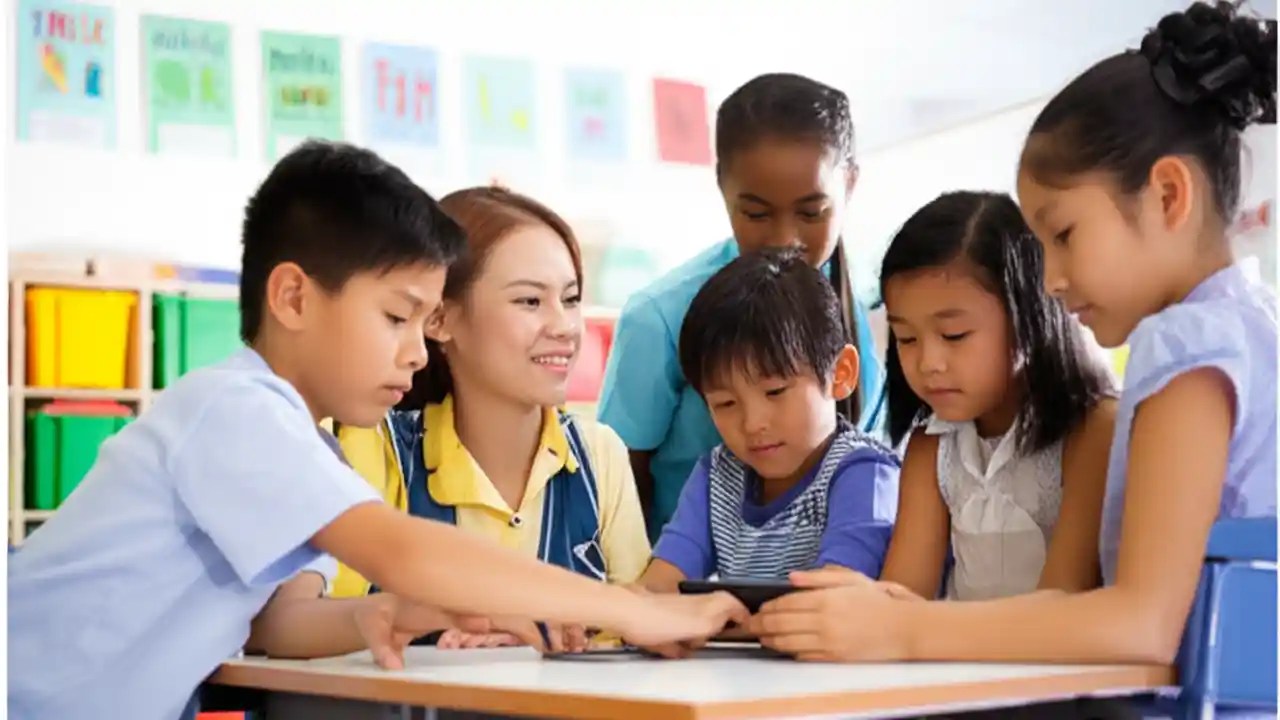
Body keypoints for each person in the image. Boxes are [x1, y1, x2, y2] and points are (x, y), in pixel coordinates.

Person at [7, 142, 747, 720]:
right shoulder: (235, 411)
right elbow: (408, 551)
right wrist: (633, 609)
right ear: (294, 296)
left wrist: (379, 612)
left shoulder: (305, 446)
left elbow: (279, 624)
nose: (416, 351)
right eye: (395, 317)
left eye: (422, 323)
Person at [749, 1, 1276, 673]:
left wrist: (904, 631)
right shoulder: (1246, 325)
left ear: (1169, 195)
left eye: (1064, 235)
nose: (1050, 280)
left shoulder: (1188, 347)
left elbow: (1143, 622)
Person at [331, 187, 650, 652]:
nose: (564, 326)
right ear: (440, 320)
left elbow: (637, 627)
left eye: (571, 298)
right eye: (529, 302)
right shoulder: (374, 448)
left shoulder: (599, 454)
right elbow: (312, 626)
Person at [599, 73, 885, 540]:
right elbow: (618, 482)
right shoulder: (660, 317)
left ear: (849, 184)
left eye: (811, 213)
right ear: (722, 188)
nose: (784, 239)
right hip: (690, 580)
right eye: (755, 213)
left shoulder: (873, 306)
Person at [873, 191, 1115, 602]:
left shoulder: (1092, 431)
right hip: (953, 660)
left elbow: (1060, 600)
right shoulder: (931, 446)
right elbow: (900, 595)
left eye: (954, 335)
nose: (929, 362)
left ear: (1030, 318)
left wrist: (914, 626)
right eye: (906, 338)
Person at [638, 250, 899, 597]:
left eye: (775, 392)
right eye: (726, 403)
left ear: (841, 373)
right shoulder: (717, 476)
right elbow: (661, 583)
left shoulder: (864, 472)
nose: (753, 423)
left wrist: (722, 619)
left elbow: (836, 599)